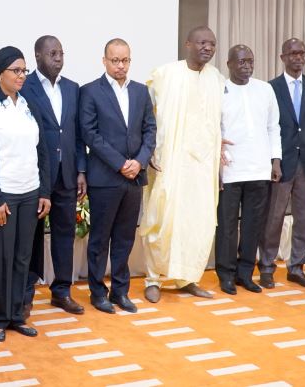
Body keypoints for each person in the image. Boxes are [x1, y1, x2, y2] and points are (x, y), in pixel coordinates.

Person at [0, 46, 50, 342]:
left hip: (30, 194)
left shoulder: (28, 106)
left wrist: (44, 191)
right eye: (15, 70)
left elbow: (41, 151)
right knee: (0, 259)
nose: (21, 75)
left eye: (24, 70)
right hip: (4, 197)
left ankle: (17, 315)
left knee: (22, 258)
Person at [140, 26, 225, 303]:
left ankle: (188, 278)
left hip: (202, 168)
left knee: (197, 222)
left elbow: (216, 124)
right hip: (170, 163)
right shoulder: (164, 75)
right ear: (187, 44)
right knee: (162, 220)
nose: (207, 48)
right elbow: (145, 117)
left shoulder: (216, 79)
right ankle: (153, 278)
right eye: (202, 42)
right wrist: (149, 150)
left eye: (212, 44)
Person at [79, 38, 156, 313]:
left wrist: (140, 161)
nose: (120, 65)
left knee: (125, 238)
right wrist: (120, 163)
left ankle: (120, 292)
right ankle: (97, 292)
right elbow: (90, 134)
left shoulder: (140, 92)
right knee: (100, 238)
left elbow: (150, 131)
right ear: (104, 61)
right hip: (105, 178)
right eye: (115, 60)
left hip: (134, 177)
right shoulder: (90, 91)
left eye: (125, 60)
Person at [20, 35, 87, 316]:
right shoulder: (25, 86)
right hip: (36, 176)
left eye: (61, 53)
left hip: (68, 174)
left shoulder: (73, 88)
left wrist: (82, 169)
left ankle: (61, 291)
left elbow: (77, 133)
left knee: (64, 234)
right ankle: (25, 295)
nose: (58, 58)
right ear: (37, 56)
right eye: (52, 53)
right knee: (31, 237)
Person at [258, 38, 305, 290]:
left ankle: (296, 266)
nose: (298, 57)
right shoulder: (270, 88)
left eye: (302, 53)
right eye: (293, 53)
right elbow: (265, 127)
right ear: (282, 57)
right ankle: (266, 267)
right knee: (273, 217)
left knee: (304, 217)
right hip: (281, 163)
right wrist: (271, 160)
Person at [215, 45, 281, 295]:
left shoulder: (265, 90)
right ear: (229, 63)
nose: (246, 66)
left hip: (260, 169)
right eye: (241, 61)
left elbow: (274, 127)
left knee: (254, 225)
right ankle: (226, 274)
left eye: (250, 61)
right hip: (230, 170)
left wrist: (276, 160)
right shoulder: (219, 90)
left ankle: (245, 273)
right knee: (227, 225)